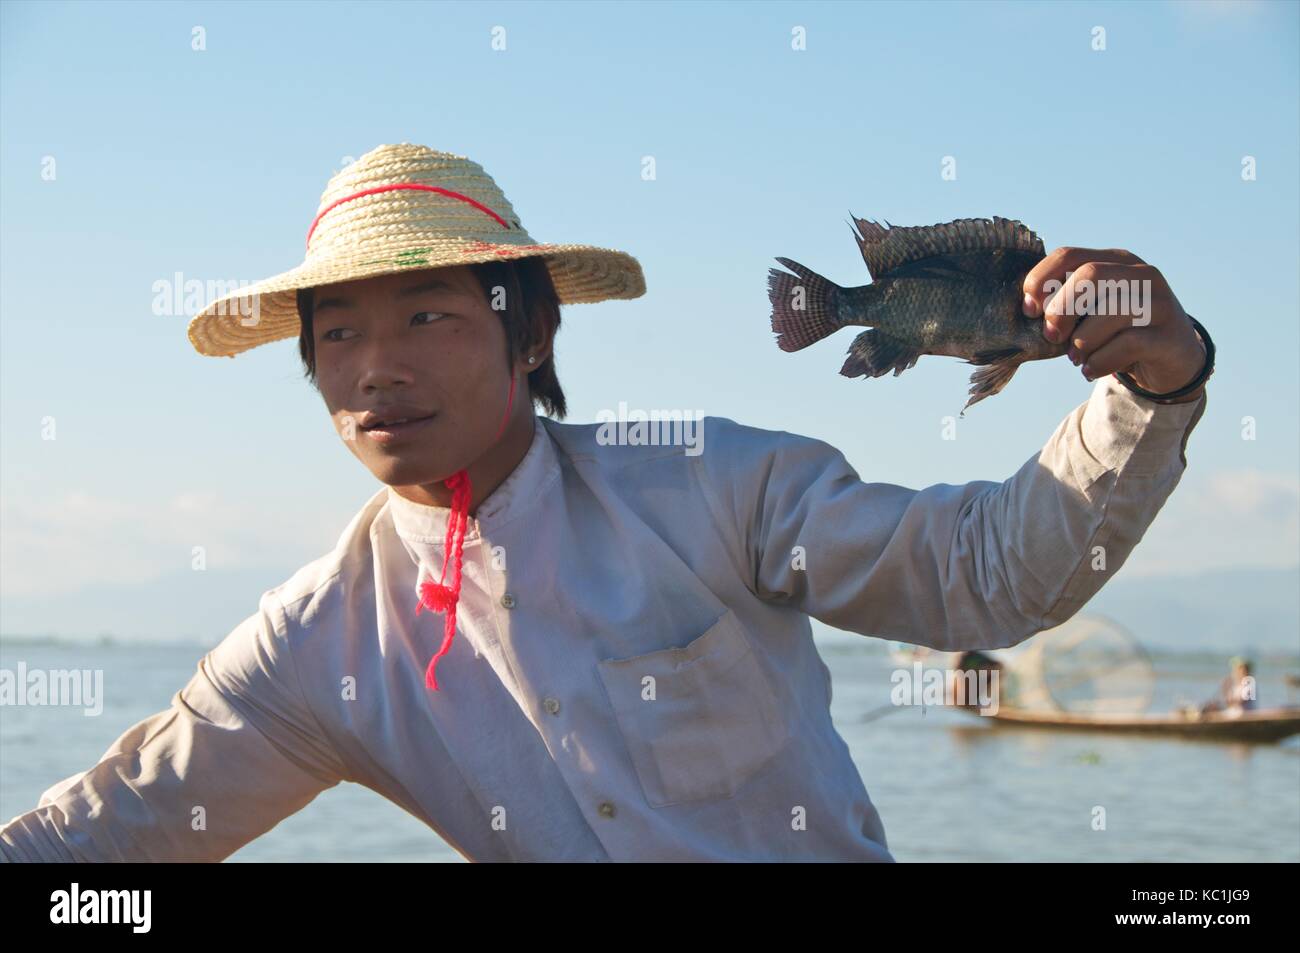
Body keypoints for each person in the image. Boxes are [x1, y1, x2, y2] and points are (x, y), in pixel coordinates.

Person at [0, 143, 1212, 862]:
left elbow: (989, 575)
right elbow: (97, 838)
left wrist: (1157, 375)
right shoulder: (321, 642)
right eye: (340, 333)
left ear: (528, 332)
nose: (378, 365)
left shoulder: (708, 479)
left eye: (427, 314)